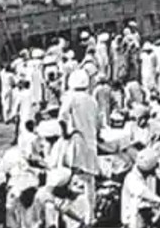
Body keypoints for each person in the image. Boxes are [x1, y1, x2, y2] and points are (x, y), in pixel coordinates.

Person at [58, 69, 98, 225]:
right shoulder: (91, 100)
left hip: (76, 141)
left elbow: (61, 118)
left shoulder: (71, 98)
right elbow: (97, 123)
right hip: (90, 142)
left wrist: (65, 134)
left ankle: (73, 216)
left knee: (73, 178)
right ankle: (90, 216)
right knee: (90, 182)